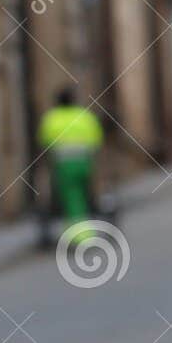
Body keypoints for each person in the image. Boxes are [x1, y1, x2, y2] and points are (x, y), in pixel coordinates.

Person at [35, 86, 104, 248]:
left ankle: (81, 235)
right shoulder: (85, 116)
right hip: (85, 163)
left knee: (72, 199)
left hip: (65, 166)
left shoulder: (52, 119)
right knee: (85, 195)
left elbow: (44, 142)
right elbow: (97, 140)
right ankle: (81, 229)